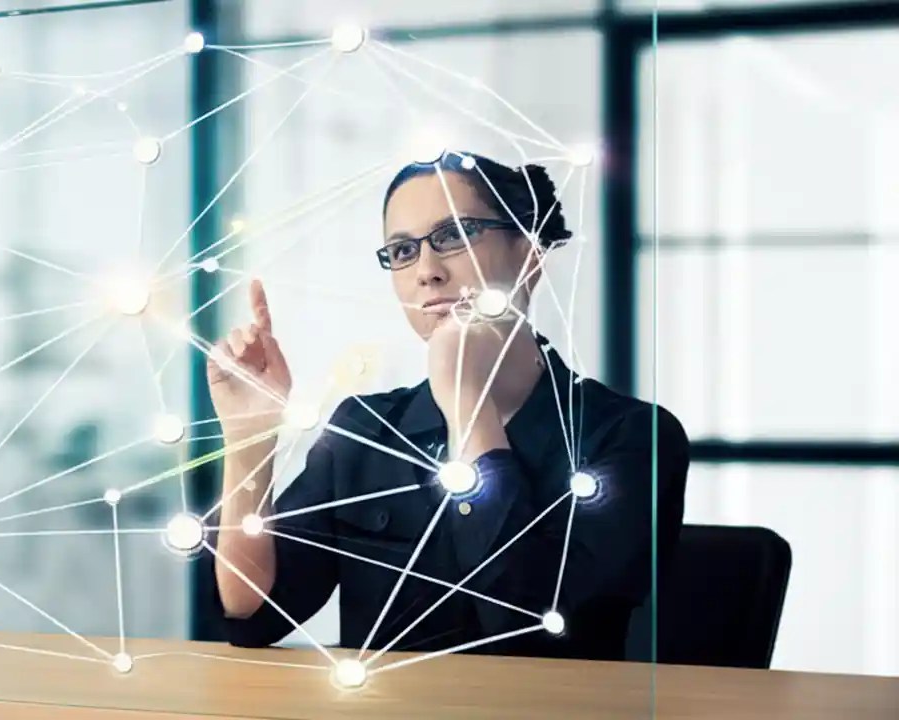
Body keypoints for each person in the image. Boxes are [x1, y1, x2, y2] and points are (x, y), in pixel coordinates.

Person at [202, 152, 690, 661]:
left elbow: (527, 634)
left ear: (529, 257)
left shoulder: (631, 437)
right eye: (402, 250)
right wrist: (249, 437)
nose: (428, 272)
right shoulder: (364, 430)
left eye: (456, 235)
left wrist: (467, 403)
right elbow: (253, 613)